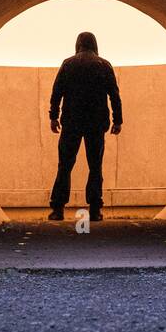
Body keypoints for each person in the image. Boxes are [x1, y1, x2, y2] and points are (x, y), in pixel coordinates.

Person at [47, 31, 122, 221]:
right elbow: (114, 95)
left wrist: (54, 117)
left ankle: (58, 208)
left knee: (65, 165)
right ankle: (95, 209)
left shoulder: (68, 64)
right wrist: (117, 120)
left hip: (71, 121)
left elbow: (57, 93)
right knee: (95, 166)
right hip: (96, 123)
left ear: (78, 44)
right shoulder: (104, 65)